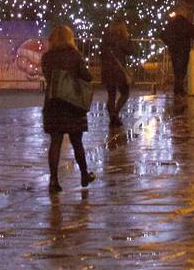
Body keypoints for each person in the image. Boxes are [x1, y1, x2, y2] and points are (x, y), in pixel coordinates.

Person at [41, 24, 95, 192]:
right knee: (77, 142)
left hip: (53, 103)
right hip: (72, 104)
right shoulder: (74, 55)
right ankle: (84, 175)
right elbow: (87, 76)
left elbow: (48, 77)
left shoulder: (47, 57)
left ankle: (53, 181)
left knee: (55, 142)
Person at [159, 6, 194, 95]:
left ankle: (178, 88)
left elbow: (162, 34)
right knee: (182, 69)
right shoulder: (185, 23)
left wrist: (169, 43)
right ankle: (179, 89)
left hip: (174, 49)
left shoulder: (171, 24)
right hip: (184, 49)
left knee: (176, 69)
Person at [100, 20, 131, 126]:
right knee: (125, 93)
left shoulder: (105, 39)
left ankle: (112, 116)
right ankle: (115, 113)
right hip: (119, 70)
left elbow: (101, 54)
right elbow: (131, 50)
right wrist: (128, 38)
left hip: (107, 70)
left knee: (111, 95)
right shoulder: (122, 40)